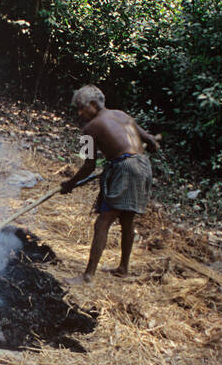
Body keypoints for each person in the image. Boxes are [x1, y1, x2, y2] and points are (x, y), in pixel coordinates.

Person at [60, 85, 161, 281]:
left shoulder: (89, 129)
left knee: (103, 223)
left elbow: (89, 165)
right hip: (143, 165)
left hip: (126, 169)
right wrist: (150, 144)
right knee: (127, 220)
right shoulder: (122, 115)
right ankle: (123, 268)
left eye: (81, 108)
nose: (80, 113)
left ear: (93, 104)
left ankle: (88, 276)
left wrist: (70, 184)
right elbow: (151, 141)